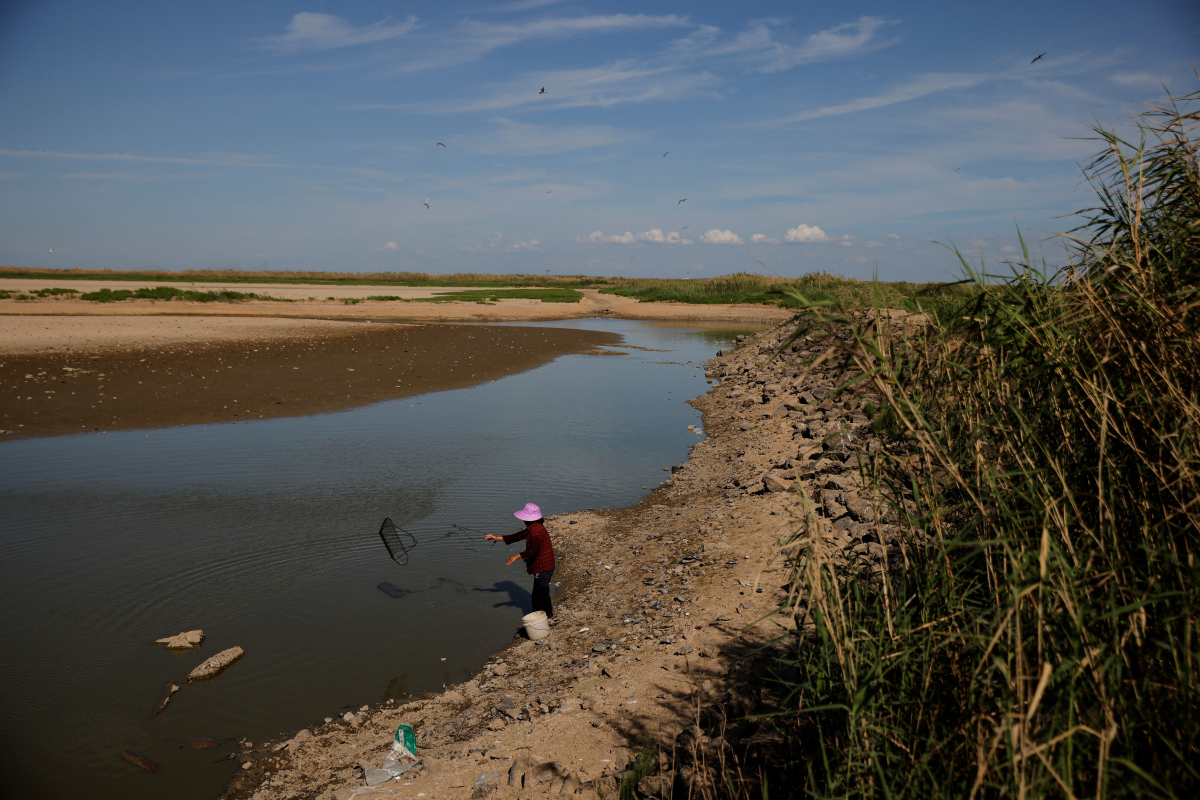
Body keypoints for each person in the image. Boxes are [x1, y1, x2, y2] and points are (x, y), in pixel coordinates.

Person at [485, 502, 556, 619]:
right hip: (545, 565)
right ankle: (548, 615)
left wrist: (516, 556)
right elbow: (518, 536)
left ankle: (539, 619)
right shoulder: (534, 527)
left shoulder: (536, 532)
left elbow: (533, 550)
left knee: (537, 595)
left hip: (543, 567)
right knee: (544, 591)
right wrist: (497, 538)